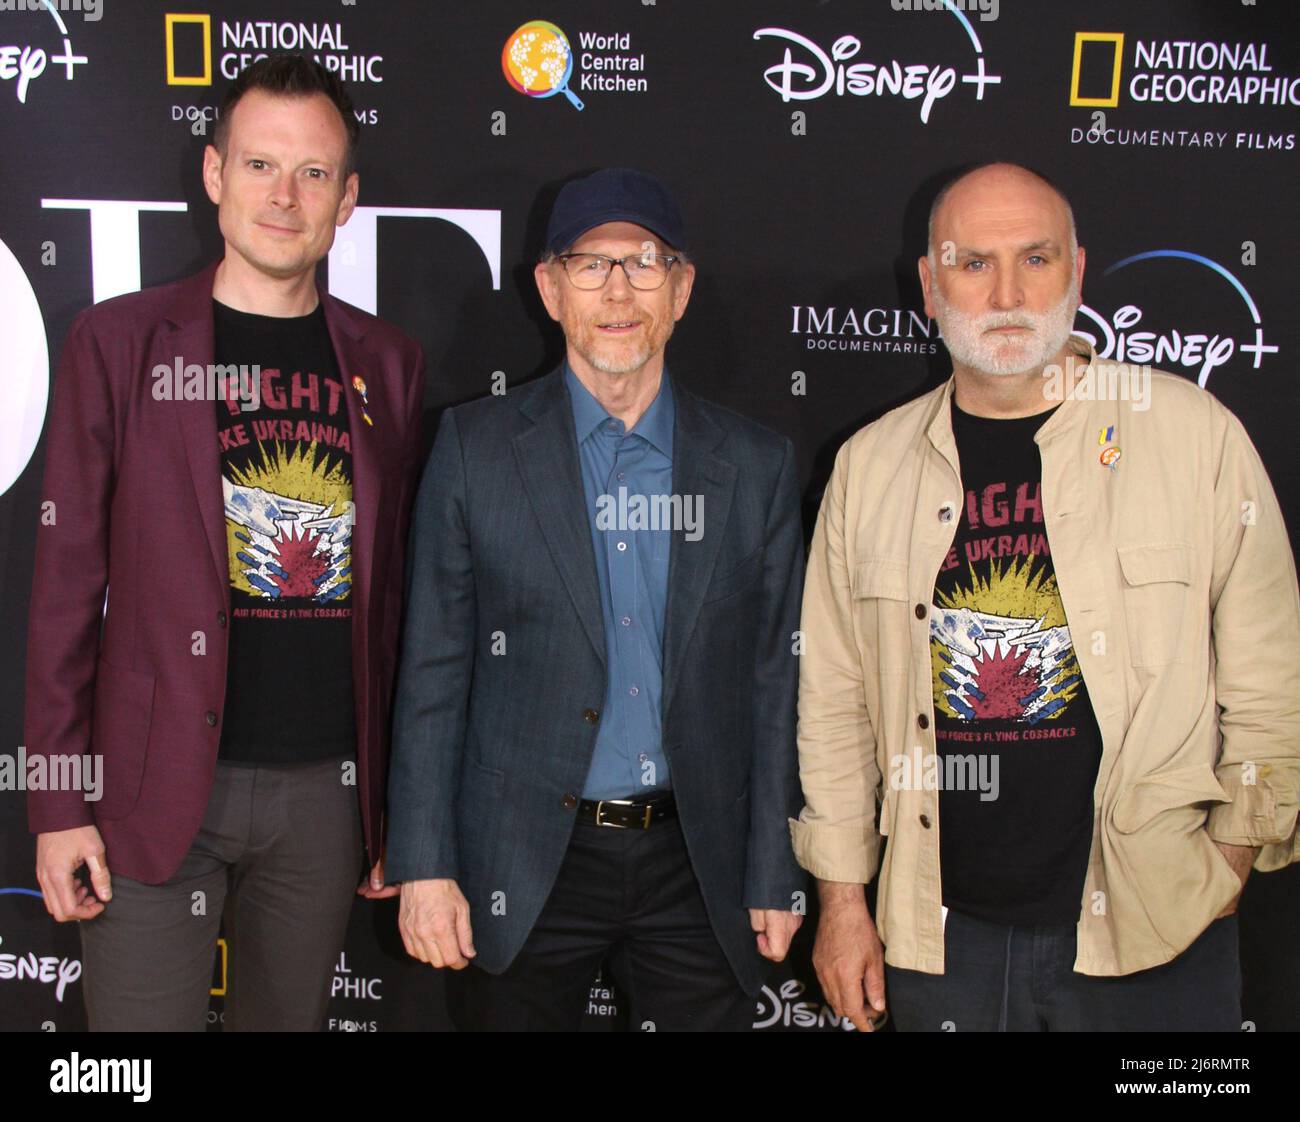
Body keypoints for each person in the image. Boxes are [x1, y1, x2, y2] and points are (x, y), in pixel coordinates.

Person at [793, 162, 1300, 1032]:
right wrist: (843, 901)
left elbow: (1270, 668)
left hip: (1157, 930)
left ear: (1078, 268)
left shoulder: (1193, 436)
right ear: (928, 283)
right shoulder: (871, 468)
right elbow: (834, 703)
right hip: (943, 941)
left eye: (1036, 258)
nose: (1007, 292)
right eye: (972, 262)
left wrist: (1231, 856)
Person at [25, 55, 427, 1031]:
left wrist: (396, 812)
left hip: (326, 806)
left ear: (348, 199)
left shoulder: (388, 363)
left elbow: (398, 613)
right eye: (259, 166)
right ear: (214, 175)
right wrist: (54, 805)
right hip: (150, 790)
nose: (284, 197)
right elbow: (65, 585)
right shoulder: (118, 343)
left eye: (314, 173)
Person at [385, 168, 806, 1031]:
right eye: (590, 264)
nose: (618, 290)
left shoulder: (754, 468)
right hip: (524, 854)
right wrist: (424, 864)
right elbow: (433, 667)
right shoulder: (474, 449)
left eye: (646, 263)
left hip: (698, 861)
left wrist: (775, 868)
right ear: (549, 287)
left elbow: (777, 685)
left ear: (681, 289)